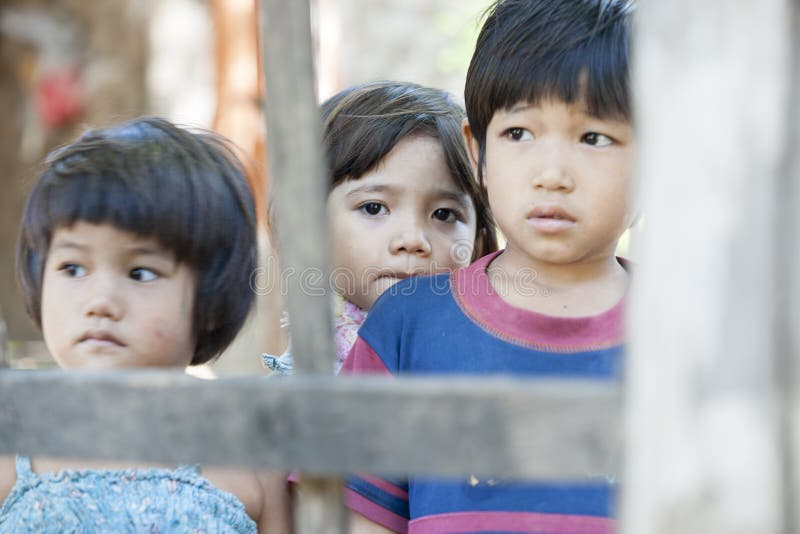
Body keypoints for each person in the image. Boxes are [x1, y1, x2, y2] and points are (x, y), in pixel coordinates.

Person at [343, 1, 635, 532]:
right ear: (476, 151)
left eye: (593, 137)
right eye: (519, 133)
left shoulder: (690, 337)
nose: (552, 175)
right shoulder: (406, 325)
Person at [0, 117, 289, 533]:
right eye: (73, 267)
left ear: (211, 299)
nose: (100, 301)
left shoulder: (248, 461)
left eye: (140, 273)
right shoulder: (15, 448)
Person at [263, 81, 497, 374]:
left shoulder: (494, 357)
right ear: (310, 227)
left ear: (478, 239)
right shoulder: (305, 374)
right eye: (374, 208)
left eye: (444, 214)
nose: (412, 240)